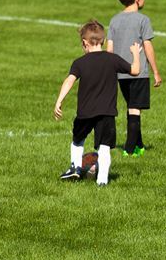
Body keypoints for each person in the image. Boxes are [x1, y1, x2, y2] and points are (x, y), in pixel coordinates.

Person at [54, 20, 140, 186]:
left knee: (78, 139)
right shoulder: (112, 59)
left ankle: (75, 167)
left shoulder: (79, 62)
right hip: (107, 112)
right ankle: (102, 181)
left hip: (85, 111)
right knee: (104, 146)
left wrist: (59, 100)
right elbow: (135, 71)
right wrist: (136, 53)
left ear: (85, 43)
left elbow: (69, 81)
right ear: (104, 41)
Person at [107, 0, 161, 156]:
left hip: (120, 73)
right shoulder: (143, 20)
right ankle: (129, 150)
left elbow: (109, 49)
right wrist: (156, 71)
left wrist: (109, 71)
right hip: (138, 73)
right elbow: (148, 47)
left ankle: (139, 145)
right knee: (135, 109)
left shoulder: (114, 20)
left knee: (132, 106)